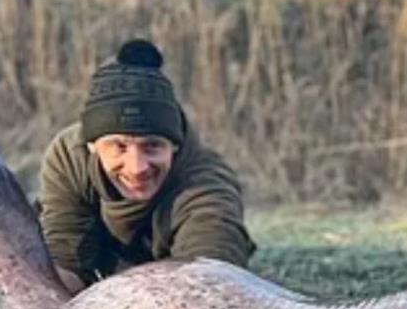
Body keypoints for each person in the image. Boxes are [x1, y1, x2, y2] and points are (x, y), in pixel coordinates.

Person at [37, 39, 256, 294]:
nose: (136, 167)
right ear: (92, 146)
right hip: (99, 285)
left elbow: (210, 288)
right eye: (119, 147)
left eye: (152, 146)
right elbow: (64, 264)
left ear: (174, 145)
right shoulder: (68, 157)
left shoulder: (206, 186)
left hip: (177, 295)